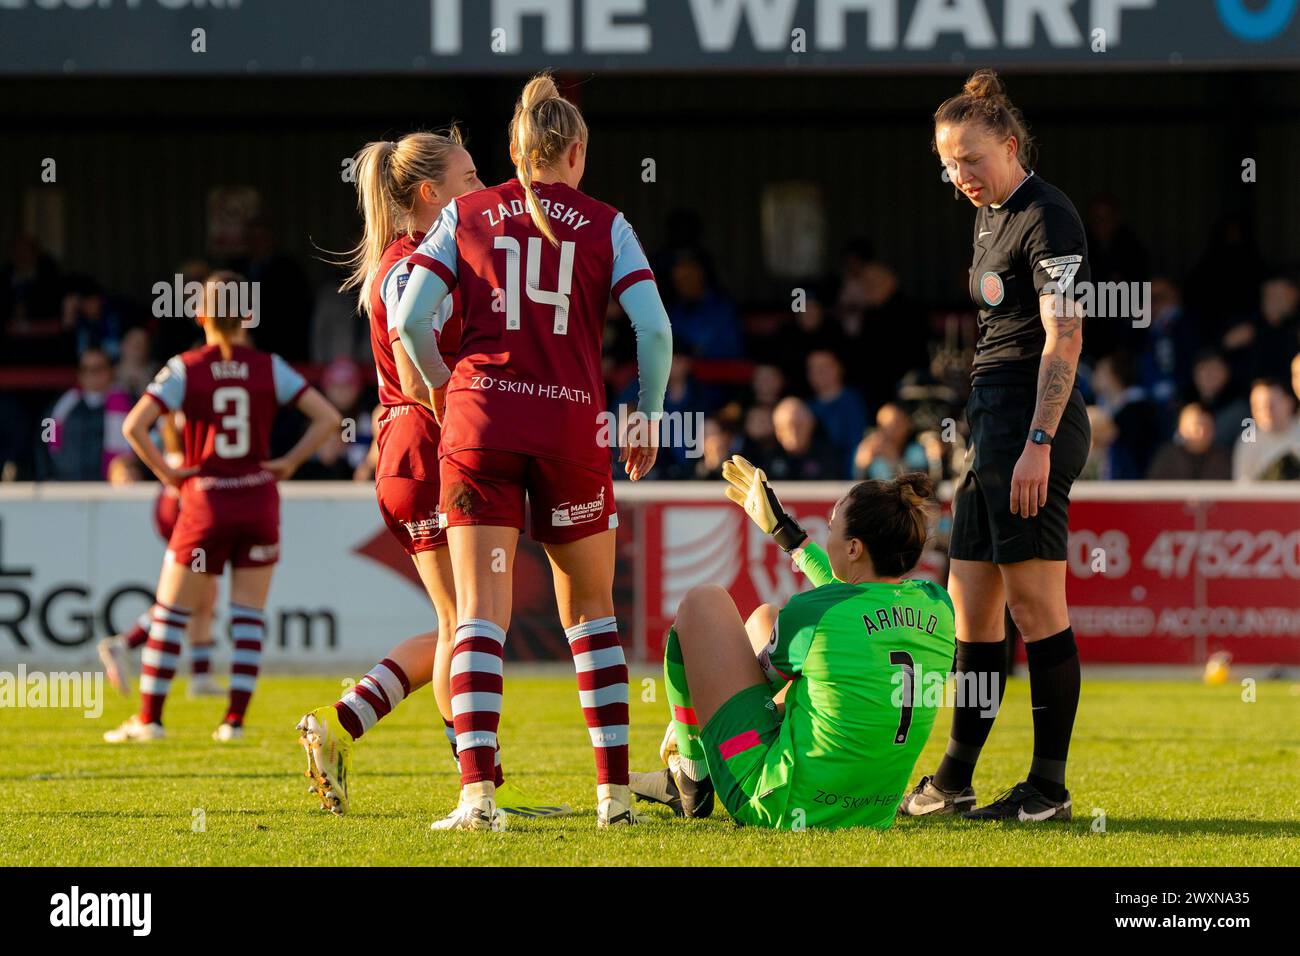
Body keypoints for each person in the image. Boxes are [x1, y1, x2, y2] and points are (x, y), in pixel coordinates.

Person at [396, 73, 672, 830]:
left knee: (481, 614)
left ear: (514, 149)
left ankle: (477, 797)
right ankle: (614, 798)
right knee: (591, 614)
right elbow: (654, 331)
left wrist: (441, 390)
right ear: (575, 151)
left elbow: (410, 320)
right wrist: (644, 416)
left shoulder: (464, 213)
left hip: (481, 426)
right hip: (570, 430)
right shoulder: (607, 223)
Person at [294, 130, 567, 818]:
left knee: (457, 626)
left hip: (410, 454)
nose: (481, 188)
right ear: (429, 193)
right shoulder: (412, 264)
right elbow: (419, 374)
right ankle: (480, 789)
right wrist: (472, 417)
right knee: (472, 623)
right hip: (429, 452)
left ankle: (348, 725)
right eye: (469, 176)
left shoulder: (413, 257)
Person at [901, 70, 1090, 822]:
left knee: (1038, 607)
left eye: (971, 159)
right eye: (948, 163)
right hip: (990, 429)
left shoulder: (1050, 215)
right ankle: (955, 778)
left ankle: (1048, 788)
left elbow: (1065, 334)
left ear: (1010, 146)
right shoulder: (987, 216)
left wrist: (1038, 443)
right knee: (971, 611)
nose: (960, 176)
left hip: (1032, 427)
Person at [629, 457, 954, 829]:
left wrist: (707, 709)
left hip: (776, 801)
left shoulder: (816, 611)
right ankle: (695, 764)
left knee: (703, 603)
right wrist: (785, 531)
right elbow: (853, 605)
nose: (826, 535)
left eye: (831, 527)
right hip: (873, 810)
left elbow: (761, 685)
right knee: (767, 620)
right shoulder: (937, 602)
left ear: (853, 549)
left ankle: (690, 771)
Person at [103, 271, 340, 743]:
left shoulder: (185, 367)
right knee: (248, 613)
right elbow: (330, 417)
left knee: (172, 612)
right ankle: (233, 723)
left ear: (199, 314)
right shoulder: (270, 366)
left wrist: (167, 472)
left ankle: (150, 720)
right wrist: (290, 461)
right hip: (258, 497)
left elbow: (134, 427)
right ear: (248, 315)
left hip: (207, 500)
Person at [40, 347, 134, 481]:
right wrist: (48, 472)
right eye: (86, 369)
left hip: (110, 487)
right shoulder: (61, 407)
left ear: (110, 370)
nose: (92, 374)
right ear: (79, 374)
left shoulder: (128, 405)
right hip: (65, 485)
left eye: (98, 368)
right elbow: (45, 441)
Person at [1233, 379, 1300, 481]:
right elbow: (1243, 489)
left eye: (1271, 405)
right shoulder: (1248, 442)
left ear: (1289, 402)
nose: (1265, 411)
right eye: (1258, 406)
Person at [1147, 403, 1232, 480]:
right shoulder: (1167, 459)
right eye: (1196, 426)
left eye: (1207, 426)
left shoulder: (1223, 459)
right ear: (1181, 428)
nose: (1201, 432)